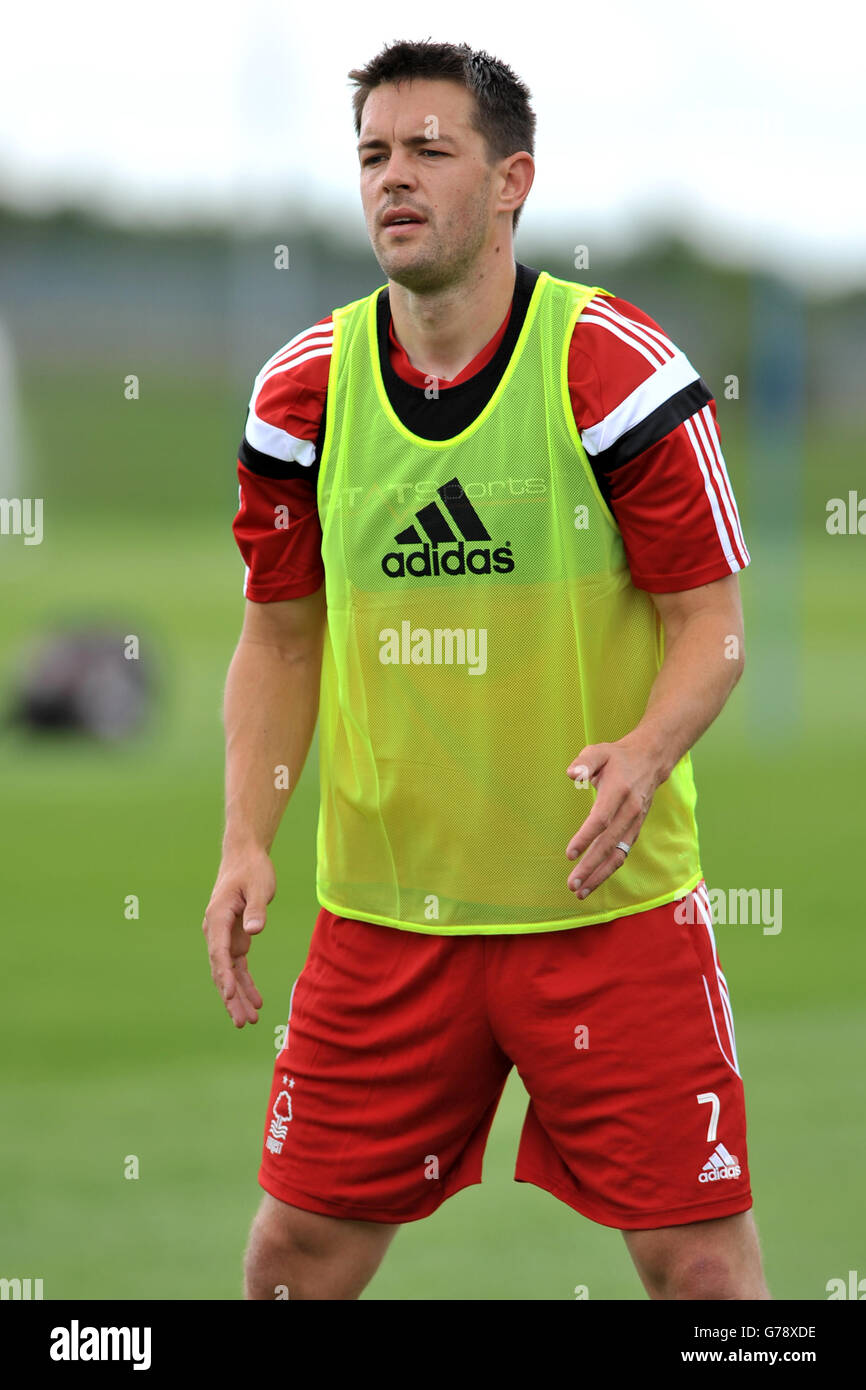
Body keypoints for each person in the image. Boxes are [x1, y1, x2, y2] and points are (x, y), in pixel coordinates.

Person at [202, 38, 769, 1301]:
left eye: (427, 152)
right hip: (387, 920)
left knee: (701, 1274)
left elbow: (710, 623)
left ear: (510, 181)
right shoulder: (300, 396)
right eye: (371, 155)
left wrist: (644, 750)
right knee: (290, 1262)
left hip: (605, 915)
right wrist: (248, 839)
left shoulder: (611, 371)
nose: (391, 179)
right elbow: (279, 637)